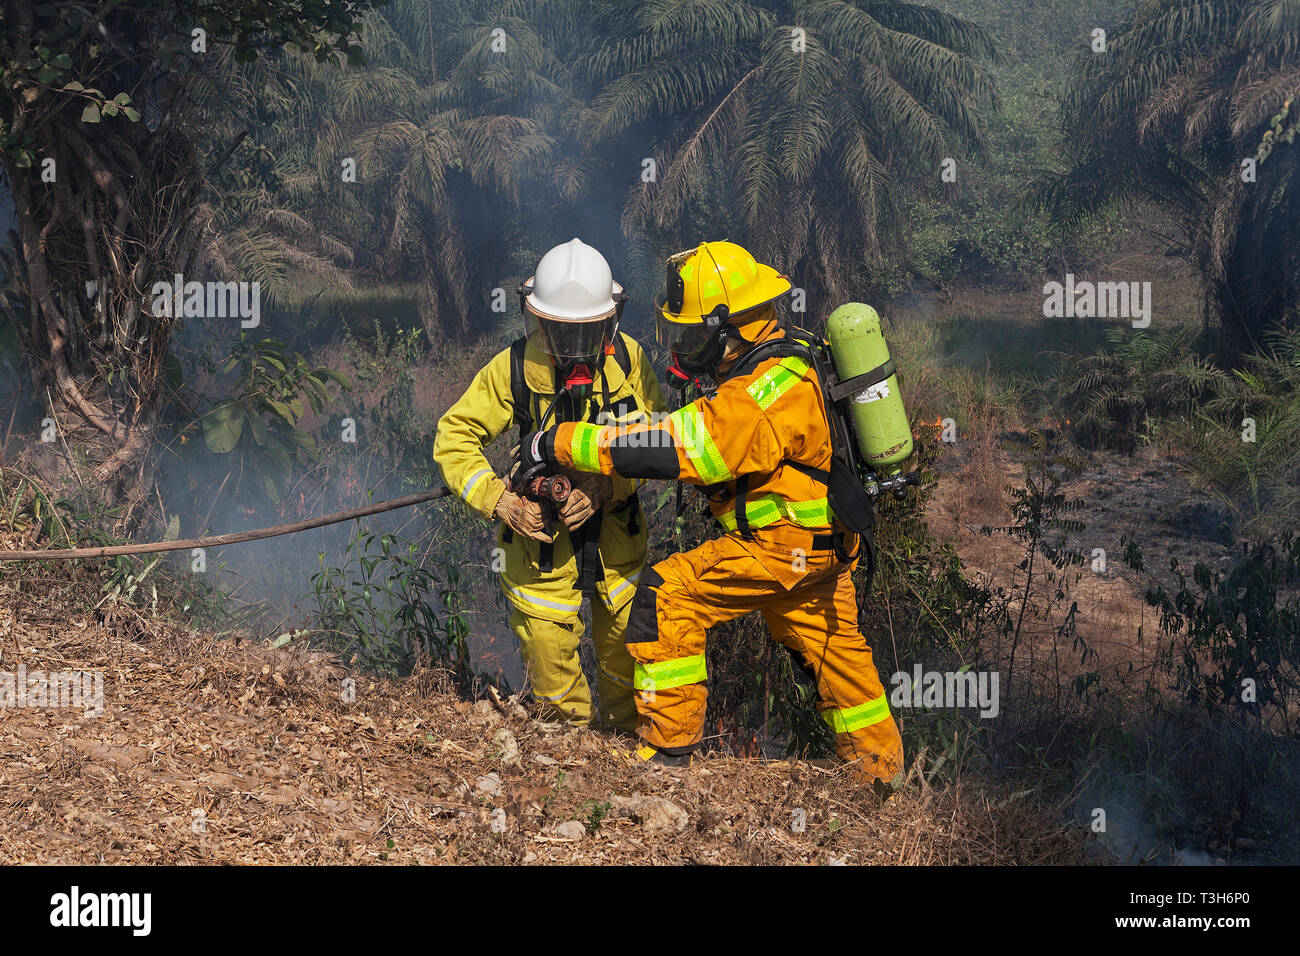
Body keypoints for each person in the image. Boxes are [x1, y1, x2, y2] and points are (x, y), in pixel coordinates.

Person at [518, 240, 904, 789]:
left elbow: (688, 446)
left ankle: (668, 755)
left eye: (696, 336)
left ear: (733, 328)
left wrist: (561, 441)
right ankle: (881, 777)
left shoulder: (764, 391)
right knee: (841, 664)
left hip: (780, 548)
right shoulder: (787, 356)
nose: (688, 349)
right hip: (823, 548)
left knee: (668, 595)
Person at [434, 238, 667, 731]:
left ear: (610, 321)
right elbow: (454, 437)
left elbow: (660, 444)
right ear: (538, 321)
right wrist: (501, 501)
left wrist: (604, 487)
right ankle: (570, 768)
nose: (575, 349)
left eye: (587, 334)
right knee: (555, 684)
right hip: (538, 552)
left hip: (617, 547)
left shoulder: (630, 363)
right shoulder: (515, 369)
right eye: (562, 332)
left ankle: (626, 757)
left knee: (627, 669)